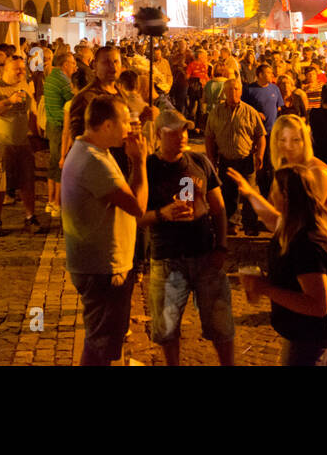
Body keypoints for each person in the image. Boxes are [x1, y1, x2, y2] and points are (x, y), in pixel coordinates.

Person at [139, 108, 234, 365]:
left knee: (220, 324)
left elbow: (219, 208)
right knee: (167, 328)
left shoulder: (200, 162)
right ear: (159, 134)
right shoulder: (147, 168)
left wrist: (221, 246)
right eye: (174, 131)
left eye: (184, 130)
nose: (182, 136)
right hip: (168, 259)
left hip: (204, 255)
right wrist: (162, 214)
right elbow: (135, 216)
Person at [61, 94, 147, 365]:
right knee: (99, 347)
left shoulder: (97, 152)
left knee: (103, 343)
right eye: (125, 122)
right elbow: (137, 207)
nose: (129, 129)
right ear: (107, 125)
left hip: (101, 264)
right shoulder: (93, 162)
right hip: (102, 268)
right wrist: (140, 162)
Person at [232, 164, 327, 365]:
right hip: (322, 330)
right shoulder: (306, 222)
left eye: (274, 189)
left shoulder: (306, 243)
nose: (270, 194)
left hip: (311, 335)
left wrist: (265, 287)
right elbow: (272, 218)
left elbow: (318, 305)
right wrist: (250, 193)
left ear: (285, 196)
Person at [0, 54, 40, 235]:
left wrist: (35, 134)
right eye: (17, 69)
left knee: (27, 181)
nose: (21, 72)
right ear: (5, 70)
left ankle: (30, 216)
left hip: (21, 142)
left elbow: (30, 113)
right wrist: (8, 101)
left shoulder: (24, 86)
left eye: (23, 69)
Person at [204, 78, 268, 236]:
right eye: (230, 89)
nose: (234, 92)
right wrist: (211, 158)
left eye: (237, 89)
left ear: (241, 91)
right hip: (226, 159)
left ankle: (250, 224)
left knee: (250, 194)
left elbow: (260, 135)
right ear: (224, 92)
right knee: (228, 193)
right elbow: (209, 137)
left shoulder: (250, 111)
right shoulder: (216, 112)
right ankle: (232, 224)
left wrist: (259, 154)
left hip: (246, 159)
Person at [43, 52, 76, 217]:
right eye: (72, 63)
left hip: (51, 123)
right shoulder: (63, 81)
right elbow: (74, 102)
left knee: (53, 164)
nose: (74, 66)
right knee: (59, 164)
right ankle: (56, 203)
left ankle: (50, 201)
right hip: (59, 126)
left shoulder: (51, 77)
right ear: (65, 65)